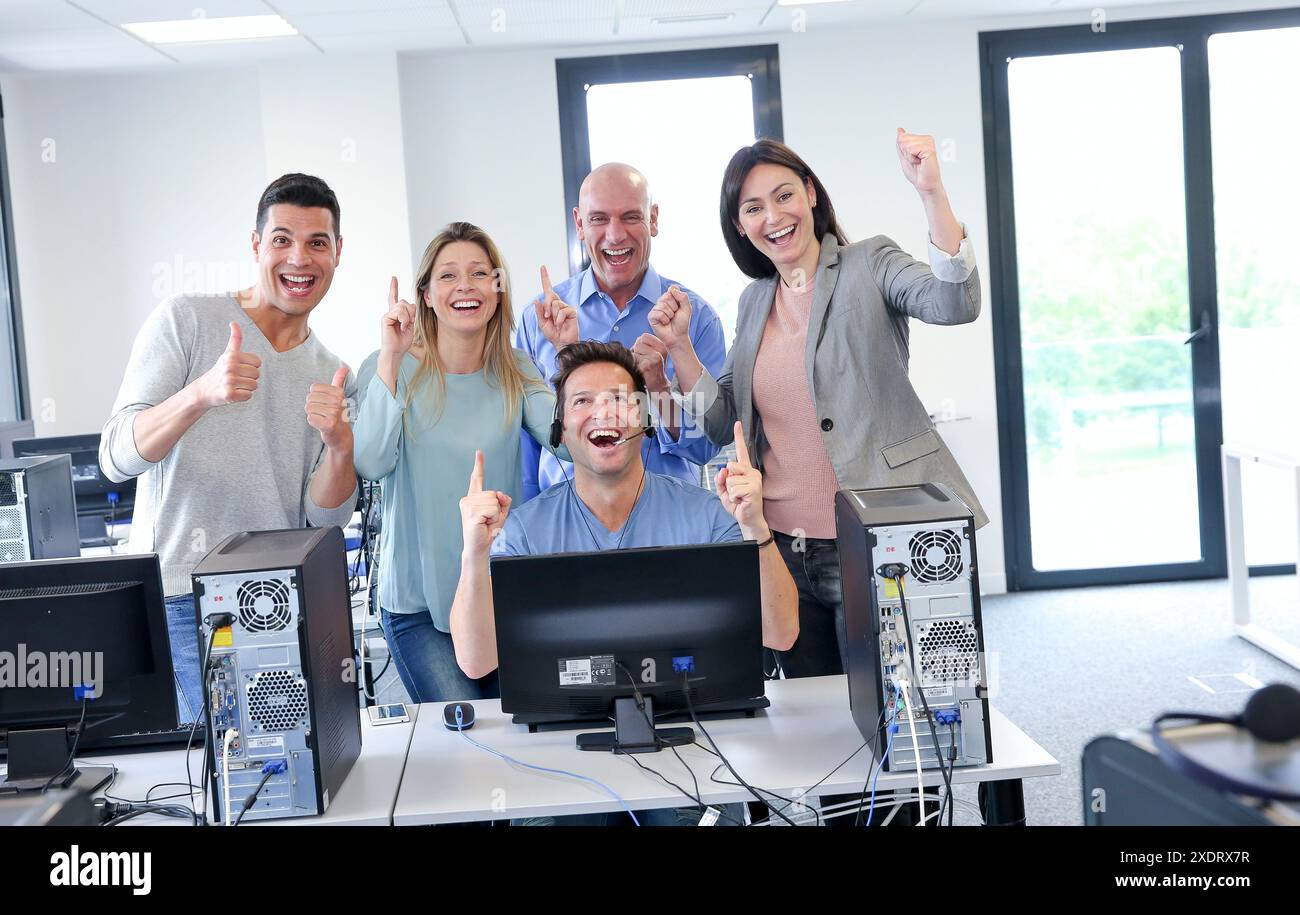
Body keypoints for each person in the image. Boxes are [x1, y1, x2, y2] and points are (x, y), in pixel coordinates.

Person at [654, 132, 987, 681]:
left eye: (784, 195)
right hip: (786, 549)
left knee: (901, 709)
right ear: (740, 226)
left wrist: (931, 192)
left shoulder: (869, 262)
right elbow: (721, 423)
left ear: (811, 194)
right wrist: (680, 349)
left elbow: (956, 303)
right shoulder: (755, 299)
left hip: (876, 539)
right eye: (753, 208)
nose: (774, 217)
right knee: (813, 723)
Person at [450, 340, 796, 826]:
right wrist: (474, 554)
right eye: (582, 401)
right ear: (562, 432)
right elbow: (475, 660)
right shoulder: (526, 530)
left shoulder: (708, 515)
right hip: (564, 757)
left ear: (645, 421)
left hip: (693, 745)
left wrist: (756, 528)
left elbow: (781, 634)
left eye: (618, 398)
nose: (602, 412)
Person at [100, 173, 358, 723]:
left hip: (277, 599)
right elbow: (116, 455)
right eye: (282, 239)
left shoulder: (333, 371)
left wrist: (339, 447)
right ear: (256, 246)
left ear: (338, 253)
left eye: (317, 243)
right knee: (211, 781)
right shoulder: (187, 319)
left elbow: (323, 516)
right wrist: (201, 394)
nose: (299, 258)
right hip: (181, 595)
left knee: (274, 779)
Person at [352, 222, 557, 704]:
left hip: (499, 597)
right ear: (424, 294)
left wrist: (566, 349)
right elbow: (372, 461)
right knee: (468, 742)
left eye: (479, 273)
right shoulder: (392, 365)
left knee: (521, 734)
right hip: (418, 605)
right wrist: (389, 358)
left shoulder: (517, 369)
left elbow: (571, 443)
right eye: (447, 276)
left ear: (498, 288)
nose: (465, 286)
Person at [513, 162, 726, 499]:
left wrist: (659, 390)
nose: (615, 235)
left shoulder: (695, 319)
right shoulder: (538, 320)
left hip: (669, 528)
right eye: (599, 219)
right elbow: (525, 448)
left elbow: (707, 446)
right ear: (580, 224)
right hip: (566, 530)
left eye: (630, 217)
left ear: (653, 219)